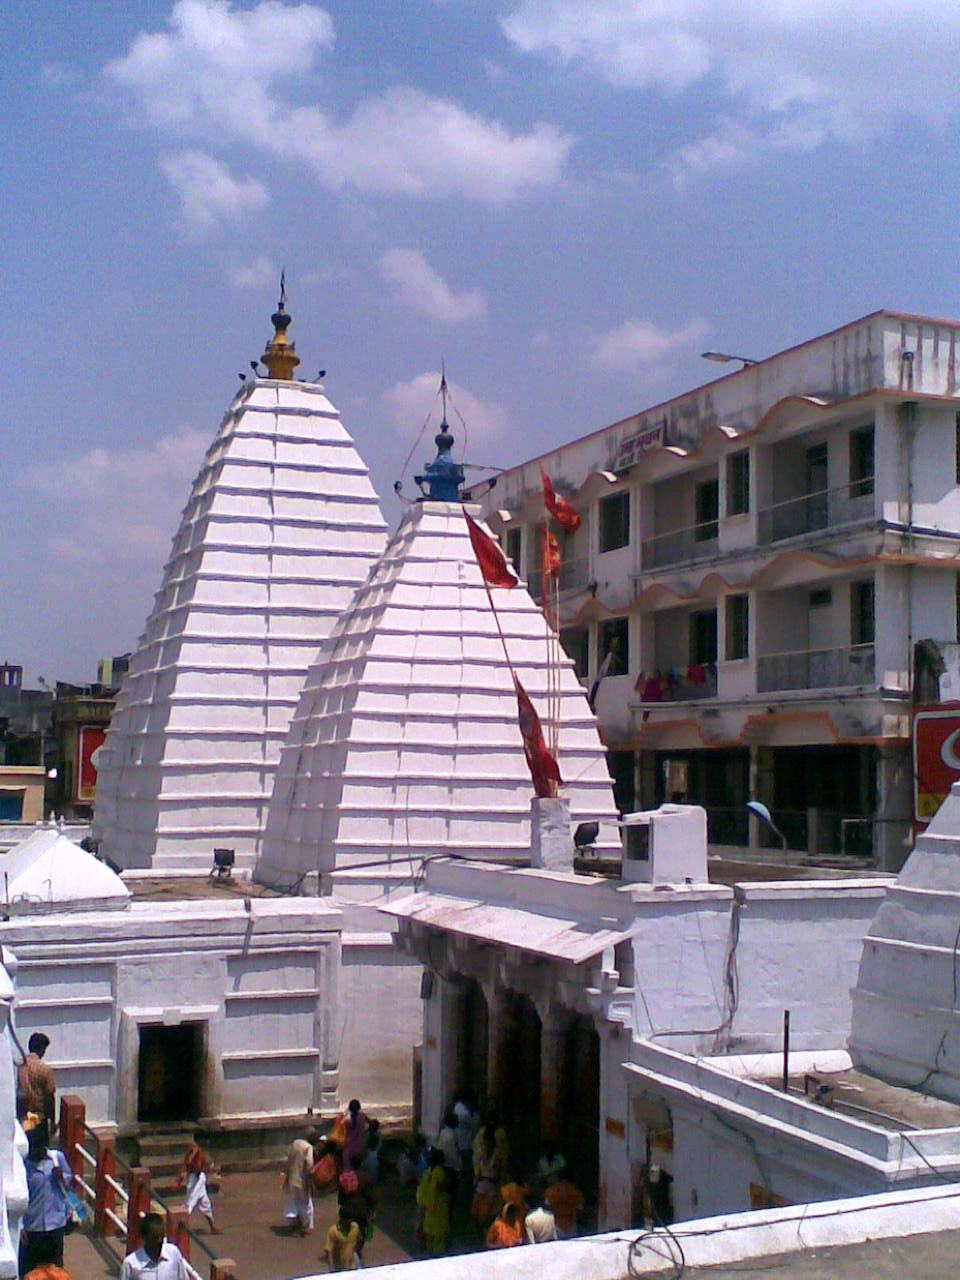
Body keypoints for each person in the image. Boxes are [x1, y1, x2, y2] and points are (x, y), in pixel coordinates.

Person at [20, 1128, 71, 1275]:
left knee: (55, 1269)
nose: (35, 1152)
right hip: (32, 1226)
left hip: (54, 1224)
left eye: (38, 1148)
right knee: (31, 1270)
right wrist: (21, 1226)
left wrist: (62, 1176)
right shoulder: (23, 1165)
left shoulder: (57, 1158)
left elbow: (69, 1183)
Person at [118, 1213, 188, 1280]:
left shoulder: (173, 1253)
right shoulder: (131, 1264)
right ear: (144, 1237)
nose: (160, 1241)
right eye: (155, 1238)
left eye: (162, 1236)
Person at [174, 1133, 219, 1234]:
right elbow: (189, 1162)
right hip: (195, 1179)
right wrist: (197, 1169)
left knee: (206, 1204)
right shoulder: (195, 1149)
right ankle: (178, 1228)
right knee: (189, 1204)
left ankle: (212, 1227)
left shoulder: (196, 1149)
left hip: (199, 1180)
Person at [18, 1035, 56, 1140]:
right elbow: (49, 1097)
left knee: (23, 1144)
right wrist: (52, 1121)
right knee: (38, 1147)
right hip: (37, 1117)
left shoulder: (18, 1066)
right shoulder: (45, 1069)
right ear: (41, 1049)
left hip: (21, 1116)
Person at [282, 1126, 318, 1236]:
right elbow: (309, 1163)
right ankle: (305, 1226)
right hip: (302, 1180)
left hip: (291, 1179)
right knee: (306, 1204)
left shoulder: (295, 1143)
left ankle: (294, 1225)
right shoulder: (308, 1147)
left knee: (293, 1202)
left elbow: (288, 1156)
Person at [415, 1148, 450, 1256]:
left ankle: (429, 1254)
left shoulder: (428, 1171)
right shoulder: (439, 1172)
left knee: (429, 1235)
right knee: (439, 1237)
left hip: (428, 1207)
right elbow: (443, 1186)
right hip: (438, 1207)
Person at [544, 1167, 583, 1239]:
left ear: (558, 1177)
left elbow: (546, 1208)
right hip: (571, 1224)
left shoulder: (551, 1191)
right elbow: (580, 1210)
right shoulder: (575, 1191)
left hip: (556, 1224)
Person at [321, 1208, 361, 1273]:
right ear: (341, 1217)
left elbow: (358, 1239)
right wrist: (332, 1270)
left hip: (353, 1264)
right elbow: (329, 1251)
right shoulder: (333, 1231)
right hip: (339, 1267)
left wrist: (356, 1252)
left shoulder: (355, 1227)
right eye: (347, 1219)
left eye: (351, 1219)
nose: (349, 1221)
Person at [452, 1089, 479, 1183]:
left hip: (461, 1142)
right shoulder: (464, 1111)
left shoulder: (458, 1107)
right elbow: (474, 1124)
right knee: (466, 1168)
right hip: (466, 1144)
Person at [434, 1109, 461, 1198]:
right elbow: (454, 1153)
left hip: (443, 1163)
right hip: (451, 1166)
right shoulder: (452, 1135)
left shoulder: (443, 1132)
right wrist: (458, 1167)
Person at [342, 1100, 368, 1168]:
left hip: (349, 1145)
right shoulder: (362, 1116)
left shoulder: (347, 1118)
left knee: (348, 1167)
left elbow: (342, 1127)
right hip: (359, 1144)